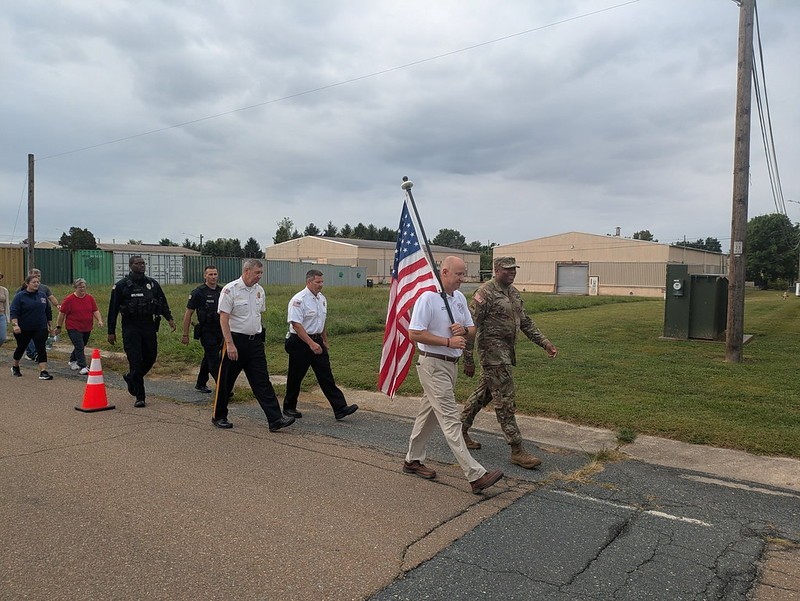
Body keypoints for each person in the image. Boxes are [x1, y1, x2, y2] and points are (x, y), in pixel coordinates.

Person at [403, 256, 503, 494]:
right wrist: (447, 340)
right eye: (458, 274)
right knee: (449, 418)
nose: (463, 278)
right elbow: (414, 334)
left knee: (428, 414)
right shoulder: (427, 298)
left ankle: (412, 460)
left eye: (464, 273)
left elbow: (471, 330)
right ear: (444, 273)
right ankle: (475, 475)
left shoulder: (458, 299)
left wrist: (464, 331)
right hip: (432, 365)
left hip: (451, 365)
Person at [461, 257, 559, 469]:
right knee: (505, 399)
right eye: (507, 270)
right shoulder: (485, 293)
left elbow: (525, 322)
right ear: (496, 270)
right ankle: (517, 449)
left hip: (506, 353)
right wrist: (468, 358)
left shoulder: (513, 293)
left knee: (484, 393)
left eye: (514, 269)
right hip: (492, 354)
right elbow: (470, 327)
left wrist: (545, 343)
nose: (512, 273)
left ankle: (459, 429)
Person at [212, 259, 294, 432]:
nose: (259, 276)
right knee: (226, 381)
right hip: (235, 342)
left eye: (261, 273)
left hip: (254, 342)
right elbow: (224, 319)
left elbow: (257, 315)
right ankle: (219, 416)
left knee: (262, 381)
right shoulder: (230, 290)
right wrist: (230, 344)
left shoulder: (259, 291)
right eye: (257, 273)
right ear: (247, 271)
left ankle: (275, 419)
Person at [282, 269, 358, 420]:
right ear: (309, 282)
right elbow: (296, 324)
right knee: (296, 376)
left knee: (326, 375)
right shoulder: (299, 300)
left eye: (322, 282)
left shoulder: (321, 299)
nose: (321, 285)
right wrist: (310, 343)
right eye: (318, 282)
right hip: (300, 341)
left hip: (316, 340)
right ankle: (289, 407)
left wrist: (324, 340)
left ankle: (340, 408)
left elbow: (321, 321)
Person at [107, 255, 176, 407]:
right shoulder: (121, 286)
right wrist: (111, 331)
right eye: (138, 263)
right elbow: (112, 310)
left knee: (151, 356)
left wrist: (169, 318)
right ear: (131, 266)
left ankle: (131, 377)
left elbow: (162, 301)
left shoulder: (152, 283)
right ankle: (140, 396)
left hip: (148, 325)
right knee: (135, 359)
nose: (142, 266)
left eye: (143, 263)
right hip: (130, 326)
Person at [181, 265, 224, 393]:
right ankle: (223, 388)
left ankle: (200, 383)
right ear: (205, 276)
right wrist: (185, 334)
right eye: (210, 274)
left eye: (215, 274)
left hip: (220, 330)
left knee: (209, 357)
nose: (213, 277)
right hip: (206, 330)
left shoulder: (222, 291)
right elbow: (188, 313)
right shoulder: (198, 292)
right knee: (214, 359)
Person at [9, 274, 54, 379]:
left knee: (41, 348)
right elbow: (14, 311)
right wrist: (15, 325)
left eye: (38, 282)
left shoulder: (42, 295)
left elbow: (48, 311)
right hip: (24, 328)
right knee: (21, 347)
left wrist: (50, 325)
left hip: (40, 327)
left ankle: (43, 372)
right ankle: (15, 366)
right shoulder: (20, 296)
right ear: (27, 283)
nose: (36, 284)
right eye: (34, 282)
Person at [56, 278, 103, 375]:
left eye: (83, 287)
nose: (82, 289)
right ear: (75, 288)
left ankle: (73, 360)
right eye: (79, 287)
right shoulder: (69, 299)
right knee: (79, 345)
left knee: (81, 345)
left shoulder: (90, 298)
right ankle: (83, 366)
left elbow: (95, 310)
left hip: (87, 327)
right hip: (73, 327)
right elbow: (62, 314)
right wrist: (58, 327)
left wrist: (99, 320)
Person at [20, 268, 59, 361]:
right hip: (27, 317)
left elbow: (51, 297)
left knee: (39, 336)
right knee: (29, 336)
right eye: (35, 276)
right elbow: (18, 302)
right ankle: (35, 354)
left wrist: (58, 305)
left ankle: (31, 353)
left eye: (39, 276)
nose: (37, 278)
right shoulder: (23, 288)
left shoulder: (44, 288)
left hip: (41, 317)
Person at [0, 271, 9, 351]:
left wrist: (7, 318)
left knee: (2, 337)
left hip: (1, 315)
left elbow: (7, 305)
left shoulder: (4, 290)